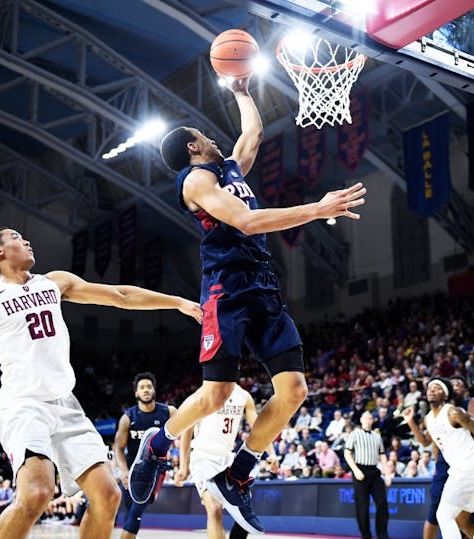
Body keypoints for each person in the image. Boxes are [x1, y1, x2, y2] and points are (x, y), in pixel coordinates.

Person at [128, 75, 365, 535]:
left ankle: (238, 474)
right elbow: (247, 220)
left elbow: (252, 135)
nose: (214, 138)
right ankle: (157, 444)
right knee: (217, 393)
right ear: (193, 147)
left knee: (294, 390)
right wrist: (316, 209)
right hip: (227, 289)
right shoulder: (196, 180)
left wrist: (241, 92)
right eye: (204, 136)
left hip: (263, 285)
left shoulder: (229, 170)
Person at [0, 228, 202, 539]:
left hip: (66, 404)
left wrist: (177, 302)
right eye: (15, 237)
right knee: (37, 493)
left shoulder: (54, 282)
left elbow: (120, 296)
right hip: (23, 405)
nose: (26, 240)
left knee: (108, 495)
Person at [404, 378, 474, 539]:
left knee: (444, 515)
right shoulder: (429, 418)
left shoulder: (453, 412)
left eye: (437, 388)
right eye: (430, 387)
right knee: (462, 522)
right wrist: (410, 422)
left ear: (445, 395)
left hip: (468, 467)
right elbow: (425, 441)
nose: (432, 390)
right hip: (460, 471)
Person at [174, 384, 278, 539]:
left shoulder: (244, 396)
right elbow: (187, 431)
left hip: (228, 459)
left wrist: (272, 453)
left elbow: (259, 427)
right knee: (214, 509)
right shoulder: (204, 392)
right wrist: (183, 466)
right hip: (204, 458)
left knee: (243, 515)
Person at [113, 372, 177, 539]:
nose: (146, 390)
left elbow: (186, 430)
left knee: (135, 512)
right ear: (136, 393)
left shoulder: (168, 412)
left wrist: (182, 460)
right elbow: (118, 448)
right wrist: (124, 471)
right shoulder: (128, 418)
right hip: (132, 466)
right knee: (129, 513)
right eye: (142, 387)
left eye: (149, 386)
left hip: (156, 467)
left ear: (154, 390)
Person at [344, 411, 390, 539]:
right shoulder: (355, 434)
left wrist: (387, 474)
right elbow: (347, 453)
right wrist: (355, 470)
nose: (368, 420)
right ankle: (366, 535)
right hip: (360, 470)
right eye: (366, 418)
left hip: (374, 472)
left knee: (382, 504)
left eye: (370, 418)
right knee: (362, 507)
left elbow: (382, 455)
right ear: (361, 420)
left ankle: (382, 535)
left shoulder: (377, 435)